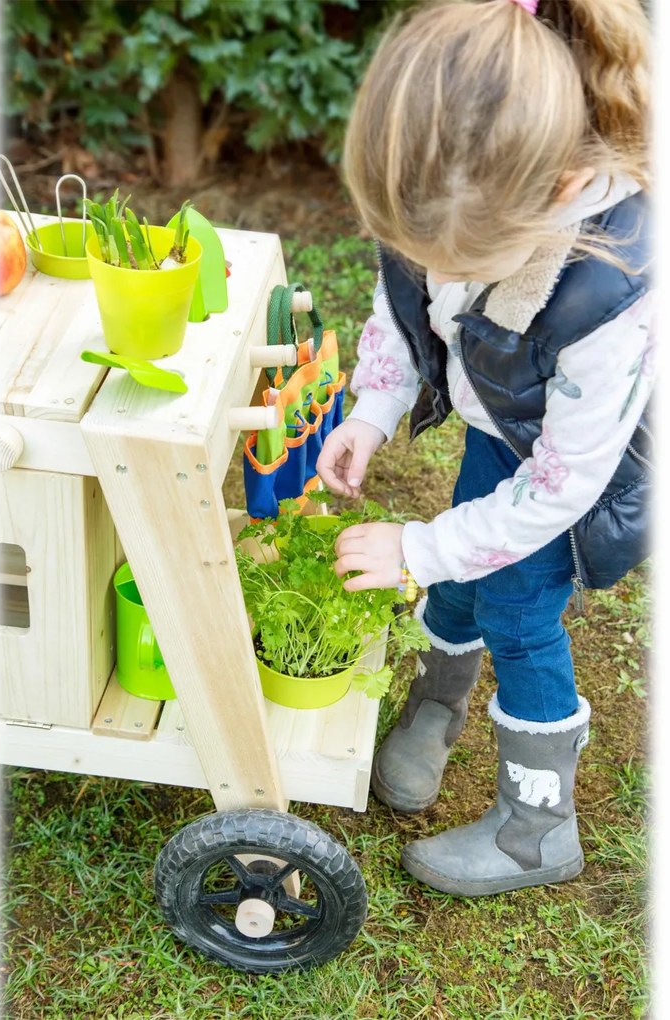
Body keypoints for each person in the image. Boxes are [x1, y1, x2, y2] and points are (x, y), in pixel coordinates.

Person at [316, 0, 653, 897]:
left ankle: (535, 830)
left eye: (456, 259)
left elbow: (559, 487)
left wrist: (417, 549)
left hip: (578, 474)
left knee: (517, 611)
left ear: (558, 194)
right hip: (506, 431)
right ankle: (437, 701)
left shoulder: (608, 294)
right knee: (471, 565)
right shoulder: (459, 171)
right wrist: (372, 411)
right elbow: (401, 309)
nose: (434, 269)